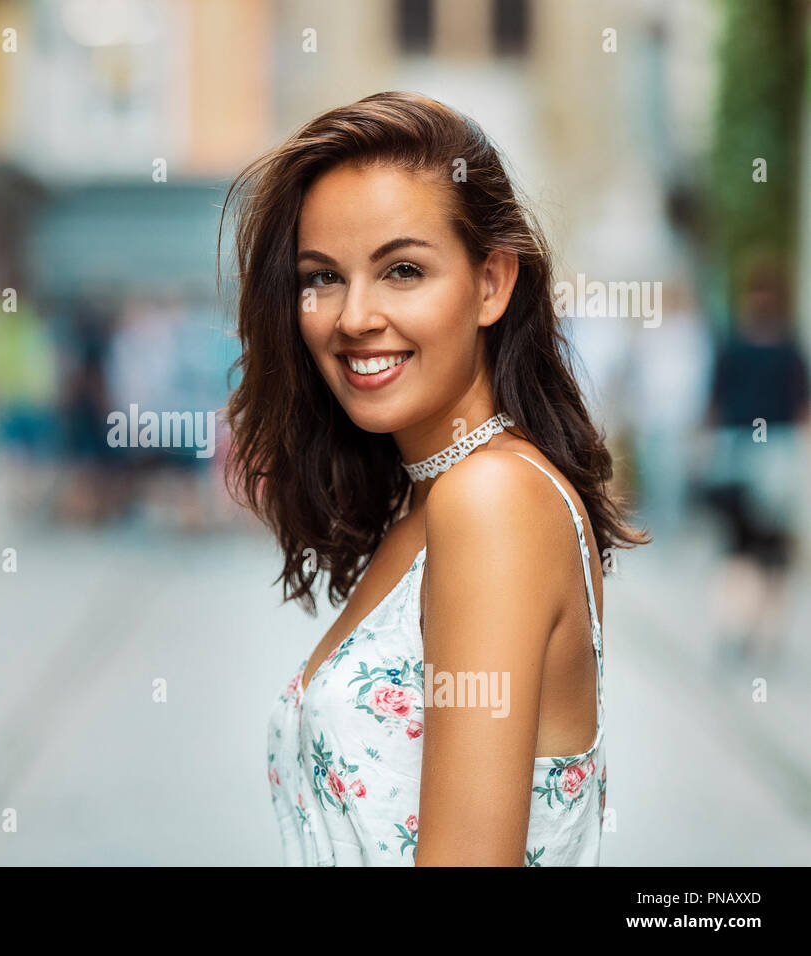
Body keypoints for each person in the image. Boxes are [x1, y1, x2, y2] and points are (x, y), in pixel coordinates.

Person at [220, 92, 649, 866]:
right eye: (322, 277)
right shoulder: (435, 492)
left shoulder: (492, 501)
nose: (353, 317)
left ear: (492, 283)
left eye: (403, 270)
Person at [701, 260, 810, 661]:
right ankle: (759, 632)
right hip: (770, 453)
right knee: (767, 549)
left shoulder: (736, 344)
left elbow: (713, 402)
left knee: (742, 547)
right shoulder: (784, 348)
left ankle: (740, 627)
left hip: (742, 451)